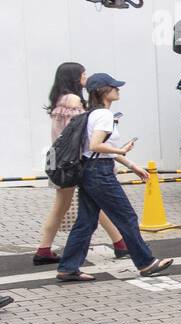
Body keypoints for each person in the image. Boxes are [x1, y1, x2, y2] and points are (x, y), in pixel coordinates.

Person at [55, 74, 175, 283]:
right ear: (103, 91)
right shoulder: (103, 115)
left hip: (91, 170)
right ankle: (146, 262)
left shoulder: (92, 114)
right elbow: (96, 146)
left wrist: (131, 165)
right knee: (127, 217)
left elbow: (95, 151)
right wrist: (122, 150)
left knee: (86, 222)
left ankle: (68, 268)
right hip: (100, 173)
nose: (118, 90)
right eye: (114, 87)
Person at [35, 62, 128, 265]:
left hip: (60, 159)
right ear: (75, 77)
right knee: (86, 203)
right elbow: (79, 133)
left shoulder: (59, 98)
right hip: (73, 161)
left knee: (66, 206)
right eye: (83, 74)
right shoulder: (74, 100)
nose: (86, 77)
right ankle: (121, 244)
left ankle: (44, 250)